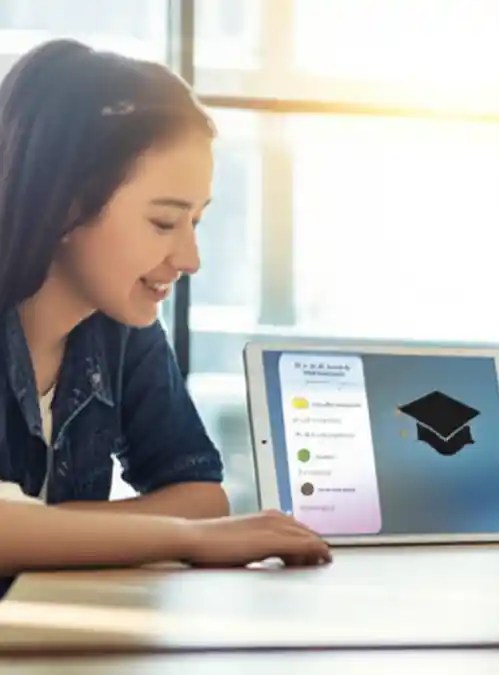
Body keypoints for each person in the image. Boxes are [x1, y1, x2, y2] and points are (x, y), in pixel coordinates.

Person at [0, 40, 331, 587]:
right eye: (163, 223)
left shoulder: (124, 330)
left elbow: (201, 495)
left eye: (195, 222)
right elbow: (196, 522)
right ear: (63, 203)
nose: (189, 259)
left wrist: (37, 529)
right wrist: (185, 539)